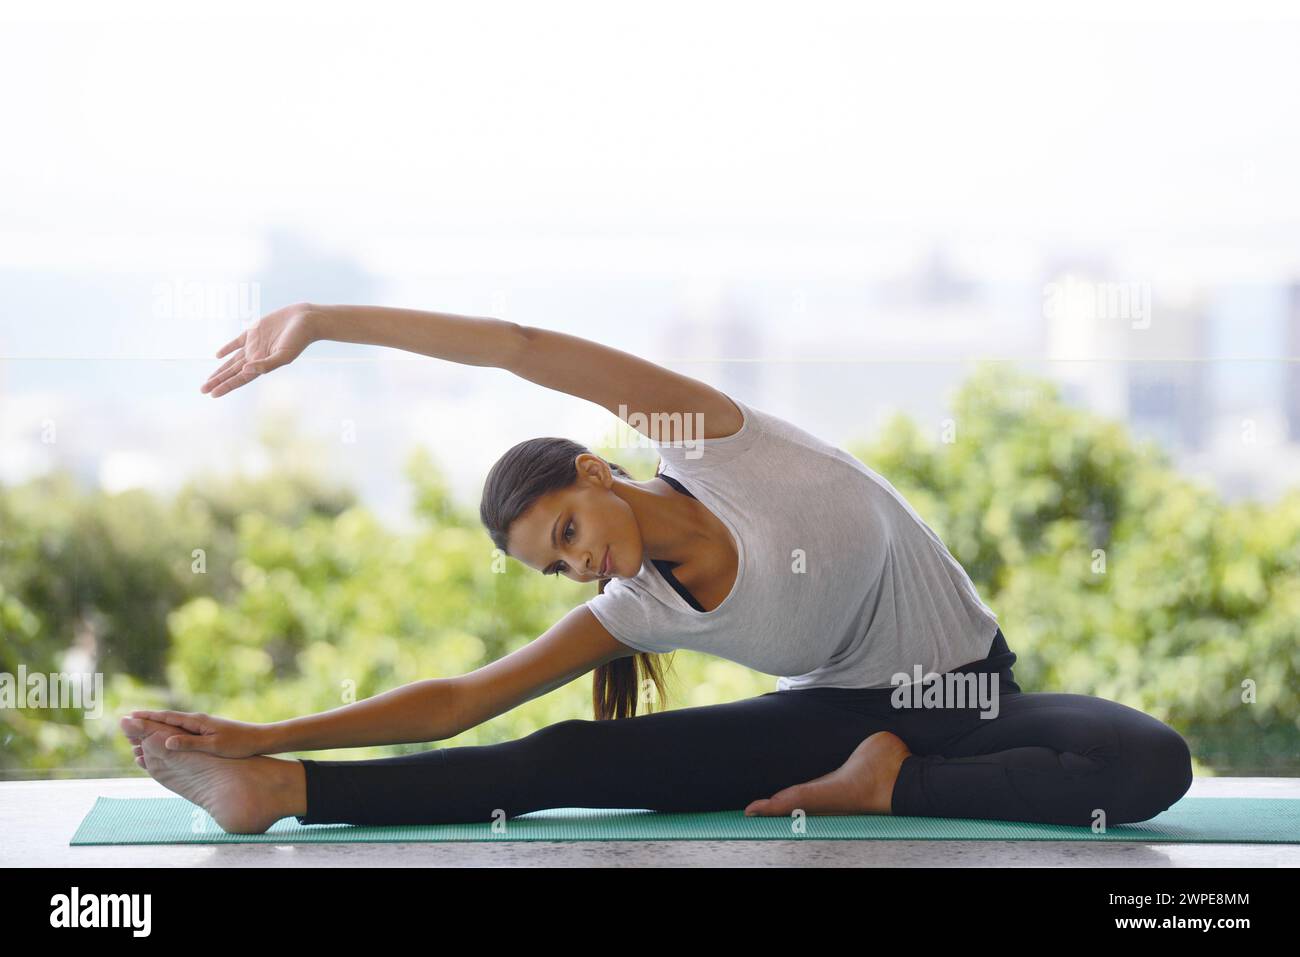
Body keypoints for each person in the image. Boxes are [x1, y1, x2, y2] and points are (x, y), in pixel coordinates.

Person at [120, 302, 1193, 834]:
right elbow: (459, 702)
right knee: (557, 761)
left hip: (967, 691)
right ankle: (280, 794)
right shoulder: (641, 608)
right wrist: (269, 736)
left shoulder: (713, 440)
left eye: (569, 533)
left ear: (596, 469)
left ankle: (896, 784)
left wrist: (327, 321)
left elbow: (522, 348)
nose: (583, 568)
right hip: (826, 723)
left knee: (1151, 767)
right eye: (558, 568)